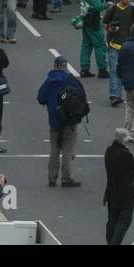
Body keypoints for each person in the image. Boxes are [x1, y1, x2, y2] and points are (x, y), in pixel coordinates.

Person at [37, 54, 87, 187]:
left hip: (54, 120)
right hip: (69, 120)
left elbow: (41, 97)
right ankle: (66, 177)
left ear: (55, 66)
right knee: (67, 149)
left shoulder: (49, 81)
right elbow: (81, 96)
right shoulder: (71, 80)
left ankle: (52, 177)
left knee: (54, 149)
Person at [103, 128, 134, 245]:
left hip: (111, 191)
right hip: (125, 193)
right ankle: (115, 242)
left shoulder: (109, 151)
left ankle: (109, 241)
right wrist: (129, 153)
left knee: (112, 220)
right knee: (124, 221)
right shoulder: (125, 154)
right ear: (124, 139)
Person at [76, 0, 108, 77]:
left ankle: (84, 69)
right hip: (93, 21)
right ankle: (102, 69)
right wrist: (108, 4)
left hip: (86, 20)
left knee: (86, 45)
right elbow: (98, 6)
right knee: (100, 45)